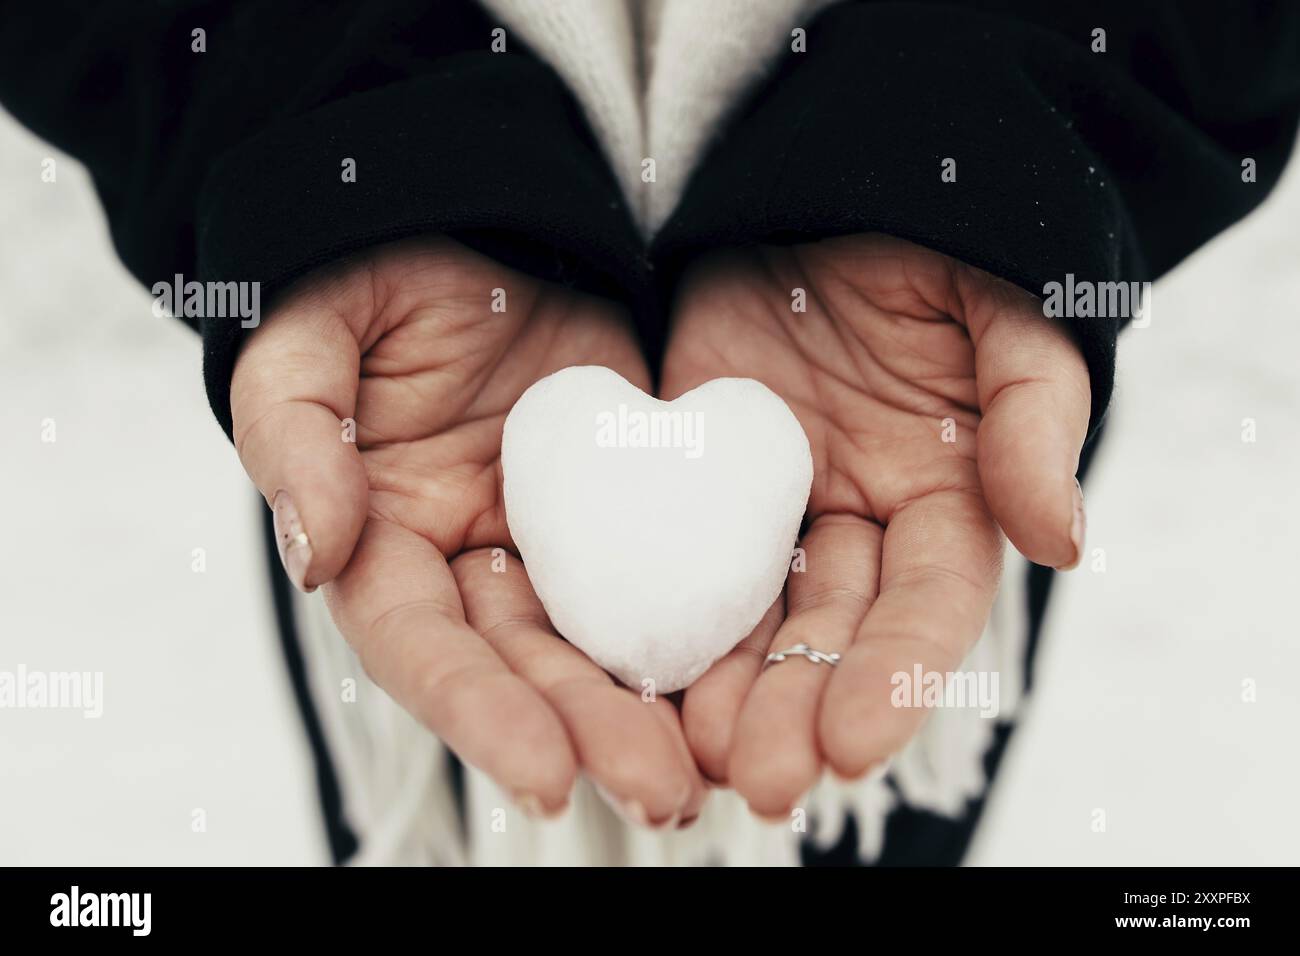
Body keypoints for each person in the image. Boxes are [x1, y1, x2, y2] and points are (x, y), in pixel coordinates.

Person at [2, 0, 1297, 865]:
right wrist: (332, 130)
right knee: (463, 770)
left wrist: (986, 124)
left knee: (855, 791)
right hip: (409, 423)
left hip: (914, 422)